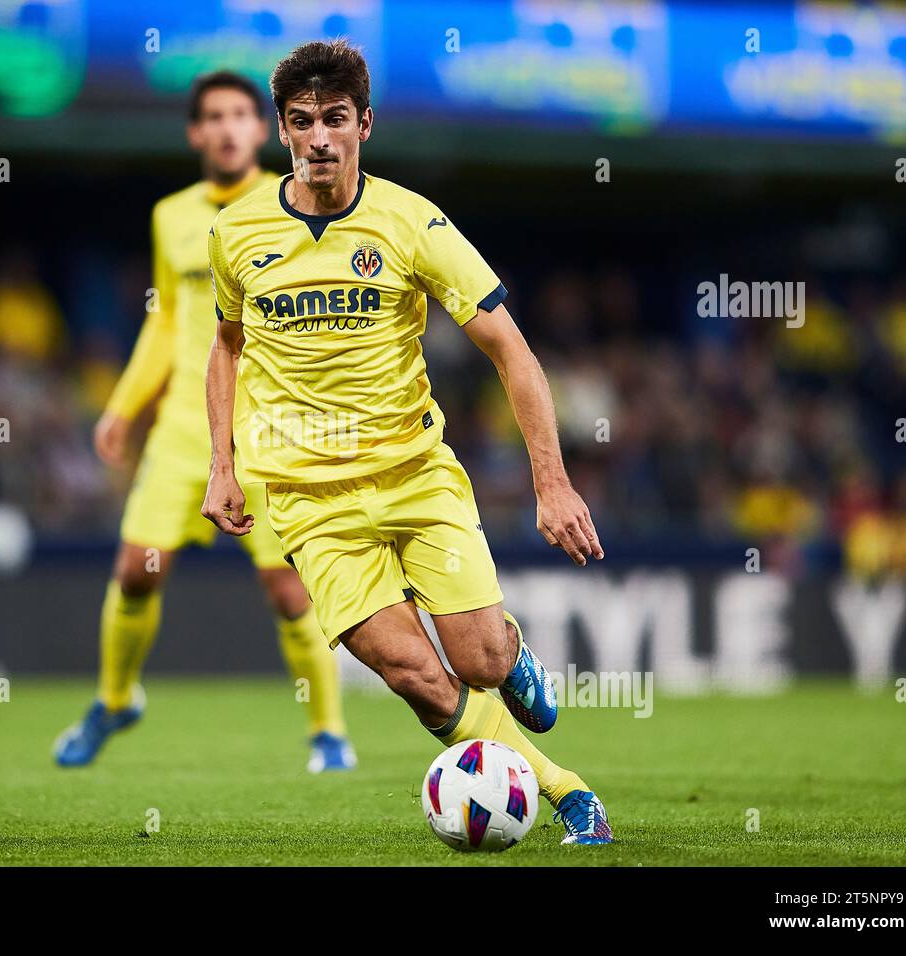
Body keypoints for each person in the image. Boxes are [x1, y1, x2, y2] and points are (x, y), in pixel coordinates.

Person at [202, 41, 611, 843]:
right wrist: (223, 464)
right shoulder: (236, 233)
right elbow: (226, 344)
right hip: (310, 501)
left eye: (336, 120)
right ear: (281, 132)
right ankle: (566, 792)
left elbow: (512, 351)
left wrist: (552, 483)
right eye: (301, 122)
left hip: (415, 478)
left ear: (365, 124)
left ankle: (510, 653)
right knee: (416, 678)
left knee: (480, 663)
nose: (319, 138)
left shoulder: (411, 222)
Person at [55, 71, 355, 773]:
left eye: (240, 116)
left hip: (270, 430)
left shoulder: (292, 207)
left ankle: (328, 732)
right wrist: (124, 406)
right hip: (187, 432)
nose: (226, 128)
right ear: (196, 133)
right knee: (136, 571)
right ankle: (117, 698)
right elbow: (165, 326)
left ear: (264, 130)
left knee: (287, 586)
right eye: (212, 116)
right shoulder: (171, 216)